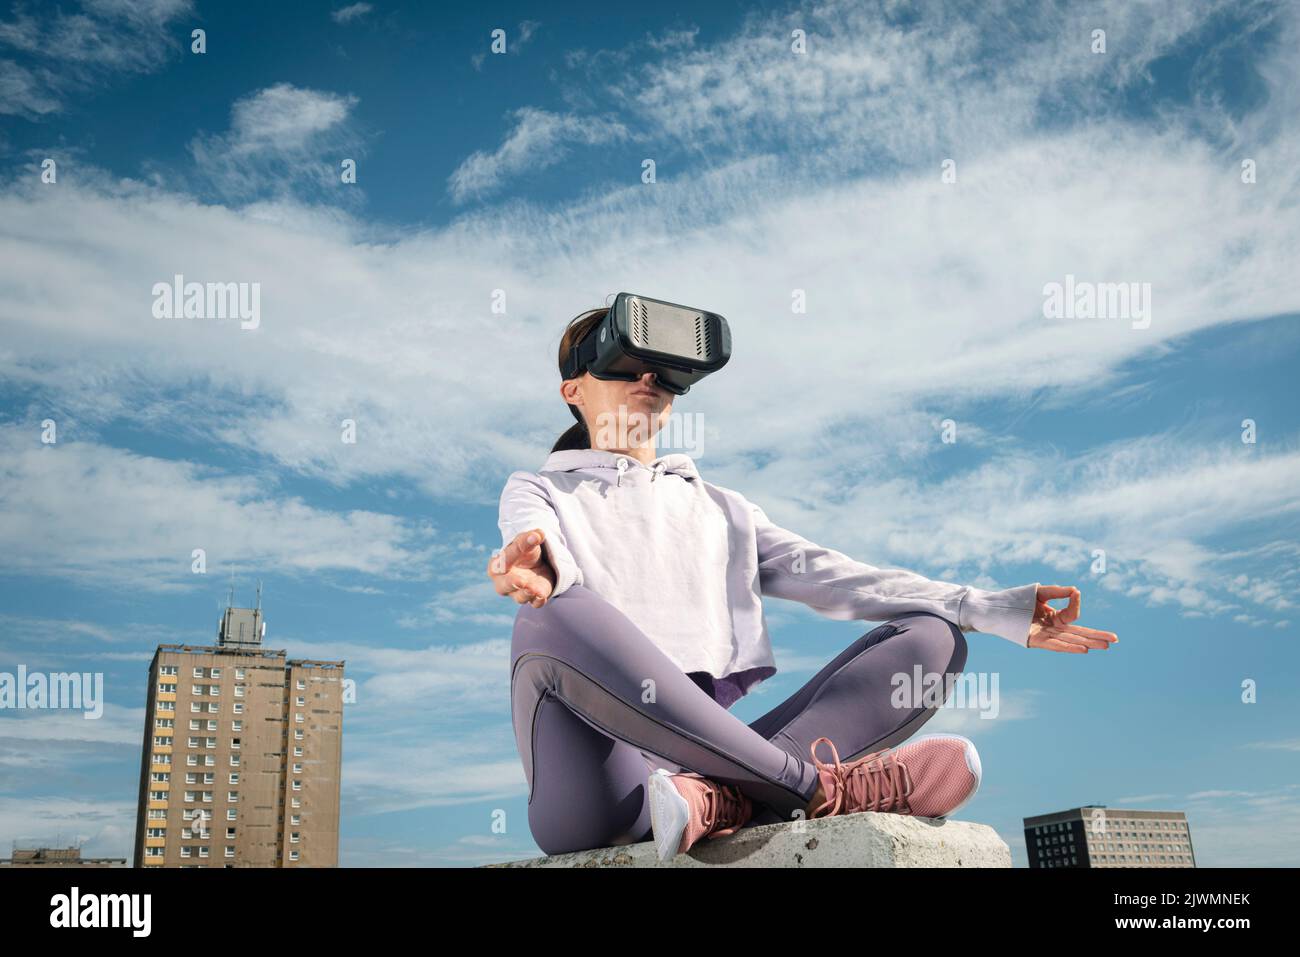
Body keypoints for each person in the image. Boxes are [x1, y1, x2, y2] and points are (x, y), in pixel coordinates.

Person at [488, 305, 1118, 861]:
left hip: (712, 764)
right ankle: (813, 789)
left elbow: (835, 576)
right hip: (604, 789)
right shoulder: (541, 490)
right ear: (574, 390)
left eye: (663, 371)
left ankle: (720, 799)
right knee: (552, 615)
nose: (647, 381)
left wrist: (986, 608)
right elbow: (534, 543)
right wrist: (536, 569)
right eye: (624, 366)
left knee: (935, 639)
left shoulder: (722, 508)